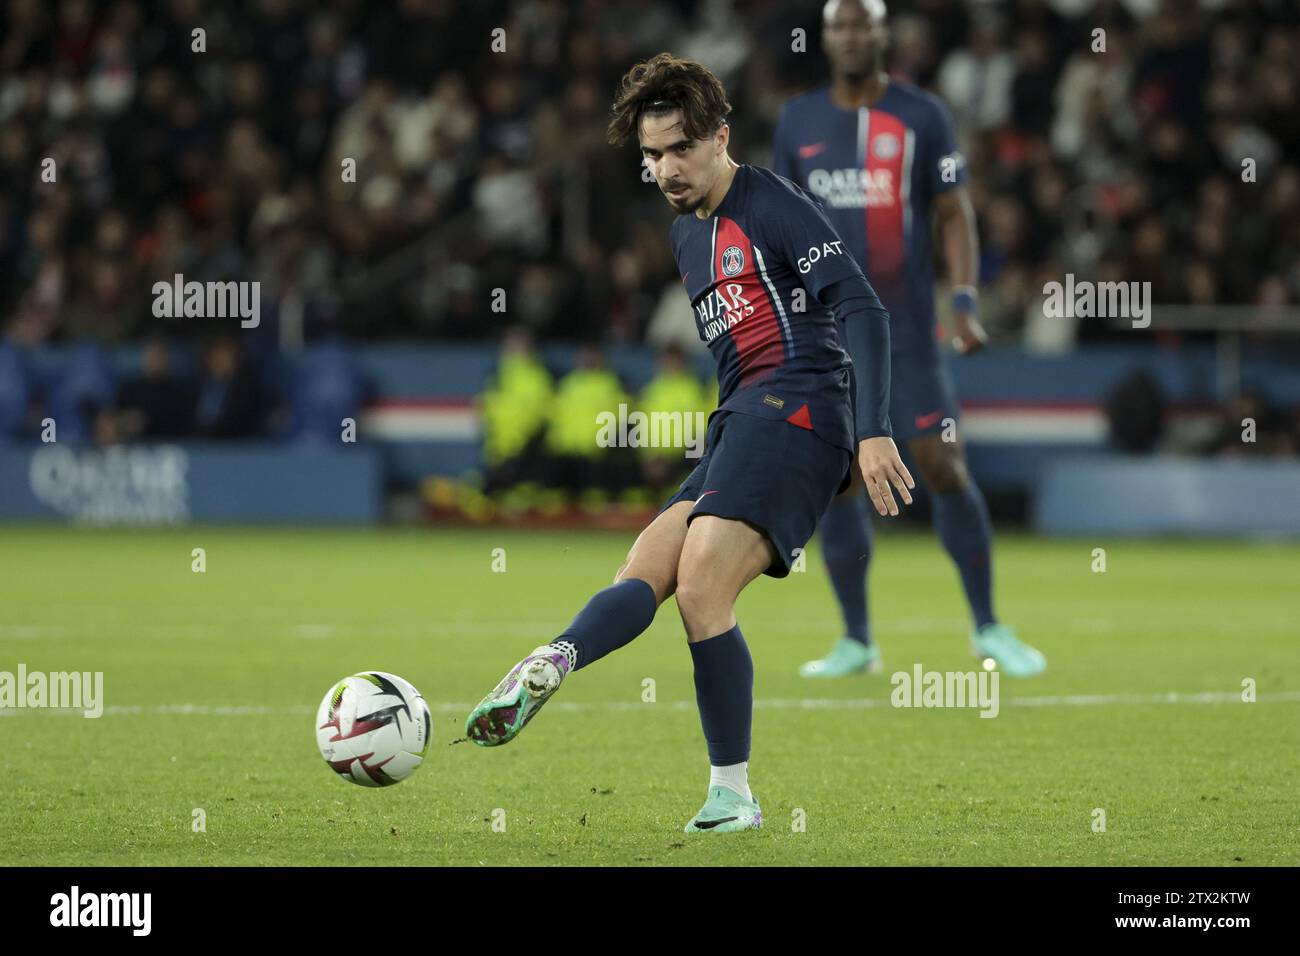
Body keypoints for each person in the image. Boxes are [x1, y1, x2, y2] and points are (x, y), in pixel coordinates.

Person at [464, 53, 913, 833]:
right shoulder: (684, 238)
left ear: (719, 138)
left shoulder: (772, 203)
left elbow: (862, 309)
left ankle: (733, 792)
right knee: (648, 565)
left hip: (803, 407)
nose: (665, 168)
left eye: (679, 148)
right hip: (741, 420)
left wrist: (870, 432)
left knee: (703, 584)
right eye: (651, 154)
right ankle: (553, 660)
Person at [773, 0, 1046, 678]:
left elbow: (954, 212)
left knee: (944, 462)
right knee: (839, 481)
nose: (853, 36)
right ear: (828, 36)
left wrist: (963, 298)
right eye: (840, 25)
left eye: (864, 23)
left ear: (882, 33)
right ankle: (857, 641)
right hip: (827, 334)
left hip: (908, 332)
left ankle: (988, 627)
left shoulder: (923, 115)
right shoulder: (796, 121)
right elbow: (779, 223)